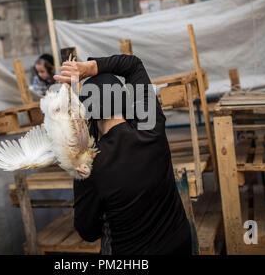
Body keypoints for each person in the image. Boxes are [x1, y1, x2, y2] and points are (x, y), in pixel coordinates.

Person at [54, 55, 192, 255]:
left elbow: (88, 231)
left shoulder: (90, 165)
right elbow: (133, 65)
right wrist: (90, 68)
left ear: (90, 117)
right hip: (179, 245)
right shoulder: (151, 128)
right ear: (126, 102)